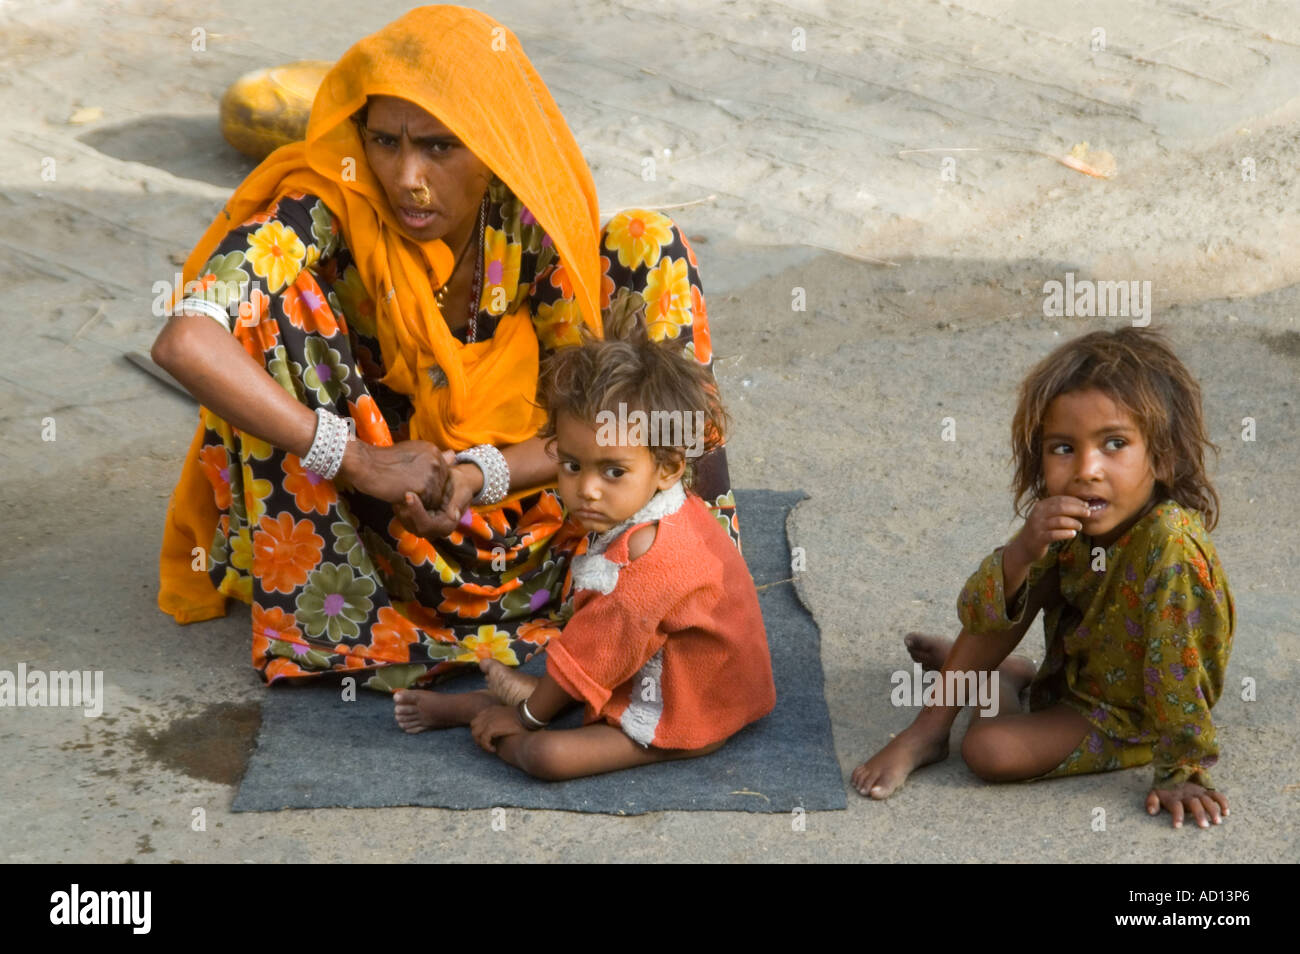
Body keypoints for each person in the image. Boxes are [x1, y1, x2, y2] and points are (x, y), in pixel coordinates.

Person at [151, 5, 737, 692]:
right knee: (270, 304)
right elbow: (185, 341)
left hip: (571, 529)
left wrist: (475, 477)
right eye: (385, 142)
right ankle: (342, 628)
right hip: (383, 545)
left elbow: (605, 422)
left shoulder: (529, 217)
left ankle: (675, 580)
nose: (406, 177)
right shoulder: (326, 207)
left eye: (438, 146)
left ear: (489, 150)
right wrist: (361, 460)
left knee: (647, 241)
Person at [851, 327, 1236, 829]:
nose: (1087, 469)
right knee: (1019, 580)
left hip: (1128, 716)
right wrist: (1022, 551)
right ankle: (928, 727)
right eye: (1062, 448)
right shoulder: (1066, 520)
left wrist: (1183, 768)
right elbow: (976, 609)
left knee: (988, 751)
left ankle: (1001, 681)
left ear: (1162, 456)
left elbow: (1182, 663)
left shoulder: (1170, 545)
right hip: (1071, 681)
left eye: (1114, 444)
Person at [393, 336, 777, 780]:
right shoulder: (661, 506)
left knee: (546, 757)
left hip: (691, 712)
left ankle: (508, 709)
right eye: (572, 465)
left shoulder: (648, 561)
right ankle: (524, 699)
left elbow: (596, 653)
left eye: (613, 471)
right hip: (661, 668)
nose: (587, 489)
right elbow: (600, 643)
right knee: (566, 692)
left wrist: (524, 722)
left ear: (668, 466)